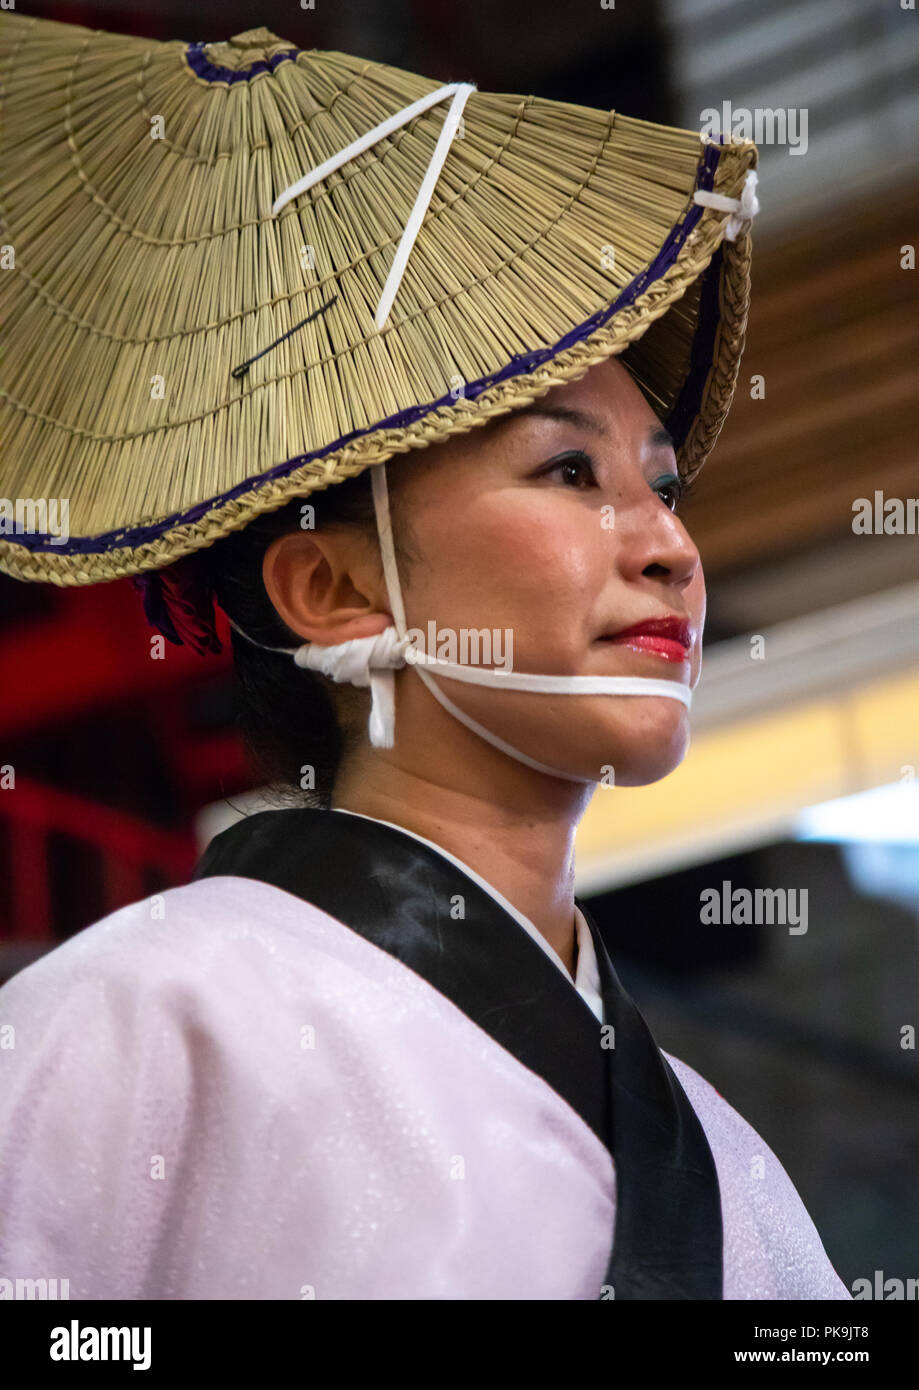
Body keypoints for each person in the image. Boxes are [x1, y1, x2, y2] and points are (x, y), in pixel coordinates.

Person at [0, 16, 849, 1299]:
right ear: (336, 589)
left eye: (662, 486)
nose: (671, 545)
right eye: (570, 470)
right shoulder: (137, 1020)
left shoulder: (724, 1162)